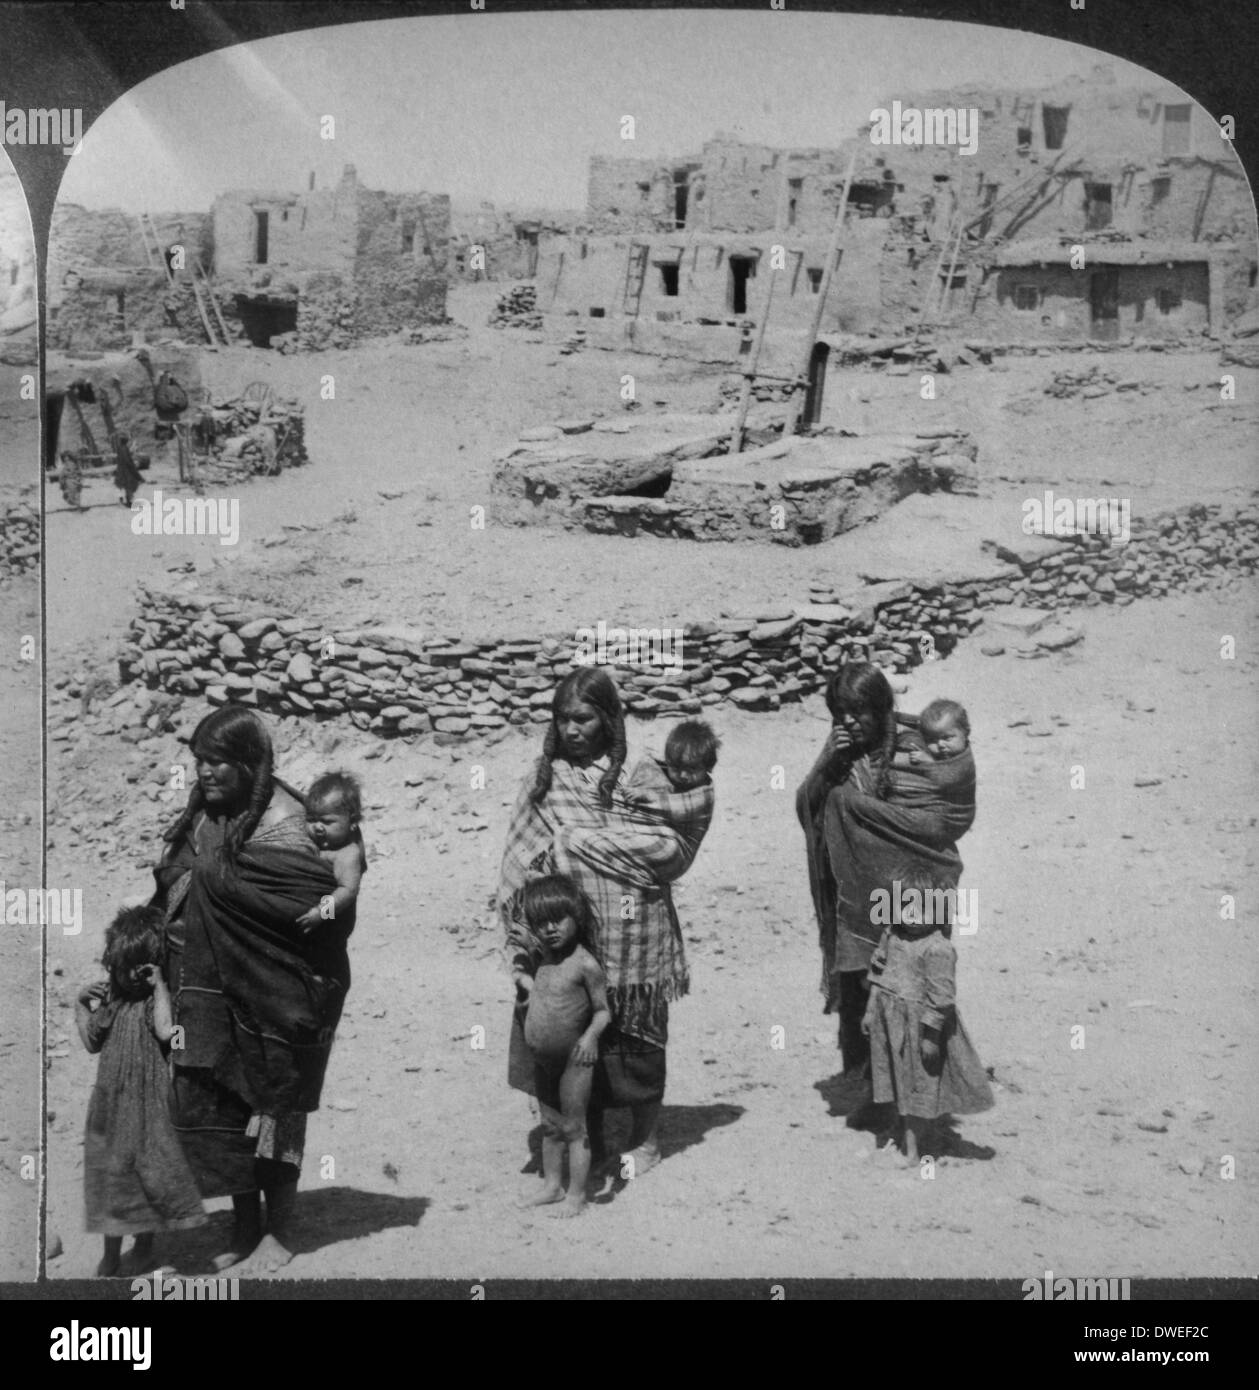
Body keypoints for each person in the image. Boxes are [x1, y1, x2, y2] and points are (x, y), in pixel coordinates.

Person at [153, 706, 348, 1275]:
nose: (205, 773)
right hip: (209, 987)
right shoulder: (202, 818)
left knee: (279, 1103)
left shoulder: (293, 820)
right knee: (223, 1101)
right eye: (198, 761)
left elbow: (316, 903)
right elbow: (173, 889)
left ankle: (280, 1229)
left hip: (282, 989)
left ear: (249, 762)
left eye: (218, 762)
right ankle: (243, 1224)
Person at [499, 668, 713, 1177]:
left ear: (608, 719)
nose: (571, 730)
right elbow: (519, 859)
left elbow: (672, 845)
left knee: (637, 1042)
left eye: (583, 718)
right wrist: (525, 937)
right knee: (576, 1037)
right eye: (562, 719)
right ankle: (586, 1138)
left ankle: (646, 1140)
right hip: (570, 939)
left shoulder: (642, 774)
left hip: (635, 932)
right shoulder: (544, 779)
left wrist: (581, 843)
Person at [797, 664, 972, 1079]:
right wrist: (827, 761)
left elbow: (943, 818)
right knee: (860, 986)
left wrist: (867, 815)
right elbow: (807, 808)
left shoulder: (916, 749)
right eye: (840, 713)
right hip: (857, 898)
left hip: (912, 889)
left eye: (860, 712)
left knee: (913, 986)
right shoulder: (840, 755)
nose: (850, 722)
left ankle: (919, 1092)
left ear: (881, 708)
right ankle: (869, 1088)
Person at [76, 905, 206, 1277]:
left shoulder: (156, 1004)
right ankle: (111, 1255)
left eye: (142, 965)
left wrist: (161, 985)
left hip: (149, 1108)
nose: (132, 975)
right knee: (111, 1179)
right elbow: (90, 1041)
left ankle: (145, 1248)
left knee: (147, 1178)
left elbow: (168, 1033)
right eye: (123, 966)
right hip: (112, 1106)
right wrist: (81, 1003)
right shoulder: (114, 1006)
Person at [862, 866, 994, 1161]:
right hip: (890, 1022)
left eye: (921, 909)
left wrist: (930, 1036)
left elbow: (941, 998)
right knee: (897, 1082)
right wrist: (871, 1010)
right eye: (905, 906)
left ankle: (916, 1148)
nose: (911, 915)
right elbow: (878, 971)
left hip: (919, 1029)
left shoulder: (938, 949)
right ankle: (901, 1132)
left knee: (920, 1086)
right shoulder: (892, 936)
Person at [518, 876, 611, 1217]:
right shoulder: (542, 957)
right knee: (550, 1127)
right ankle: (552, 1186)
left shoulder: (584, 964)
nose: (550, 929)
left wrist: (589, 1038)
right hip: (544, 1059)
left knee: (574, 1128)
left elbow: (603, 1012)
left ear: (577, 917)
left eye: (558, 919)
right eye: (541, 923)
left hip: (575, 1059)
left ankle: (576, 1196)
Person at [554, 718, 719, 886]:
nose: (683, 776)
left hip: (676, 854)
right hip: (651, 834)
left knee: (663, 847)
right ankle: (626, 880)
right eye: (676, 768)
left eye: (692, 770)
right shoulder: (661, 773)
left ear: (708, 767)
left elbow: (675, 808)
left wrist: (646, 797)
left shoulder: (705, 794)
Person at [296, 771, 367, 935]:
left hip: (331, 919)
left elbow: (348, 891)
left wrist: (322, 912)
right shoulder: (311, 840)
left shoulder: (348, 854)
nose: (318, 827)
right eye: (312, 820)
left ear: (353, 822)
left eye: (327, 821)